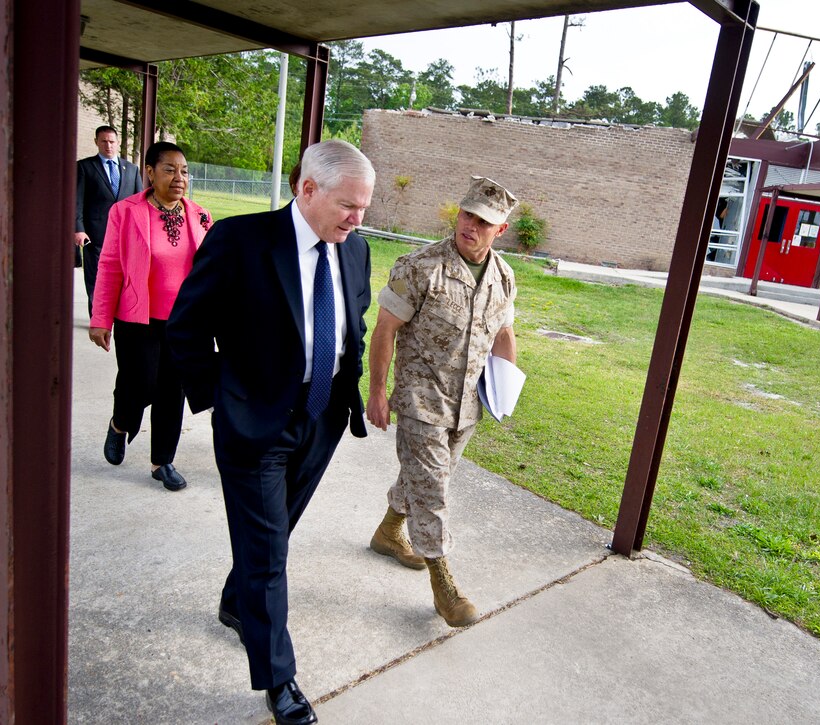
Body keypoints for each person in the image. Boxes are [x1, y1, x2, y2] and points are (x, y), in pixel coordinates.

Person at [166, 139, 374, 725]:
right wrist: (222, 399)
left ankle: (238, 604)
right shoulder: (241, 240)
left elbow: (352, 324)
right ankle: (278, 678)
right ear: (307, 189)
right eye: (348, 206)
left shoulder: (355, 249)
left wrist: (348, 390)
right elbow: (186, 327)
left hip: (322, 418)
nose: (357, 219)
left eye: (364, 207)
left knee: (273, 536)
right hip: (255, 426)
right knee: (267, 556)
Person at [366, 175, 518, 628]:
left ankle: (388, 531)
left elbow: (504, 334)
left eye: (484, 221)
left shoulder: (503, 277)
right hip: (421, 401)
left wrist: (506, 391)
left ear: (500, 229)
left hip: (467, 406)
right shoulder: (419, 267)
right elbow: (385, 330)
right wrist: (377, 392)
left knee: (426, 476)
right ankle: (444, 585)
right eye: (467, 214)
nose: (471, 225)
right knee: (433, 491)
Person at [89, 141, 212, 492]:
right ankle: (120, 423)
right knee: (139, 383)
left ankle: (162, 461)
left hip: (183, 322)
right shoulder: (125, 212)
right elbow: (109, 266)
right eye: (169, 170)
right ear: (150, 172)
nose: (179, 177)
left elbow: (210, 271)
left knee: (172, 392)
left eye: (184, 171)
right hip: (137, 318)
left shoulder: (200, 215)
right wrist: (101, 318)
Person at [76, 125, 144, 315]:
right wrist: (79, 229)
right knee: (96, 278)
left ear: (118, 142)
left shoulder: (131, 169)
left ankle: (118, 314)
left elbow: (139, 203)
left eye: (112, 141)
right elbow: (77, 200)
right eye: (104, 141)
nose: (108, 145)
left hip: (125, 235)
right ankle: (98, 316)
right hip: (95, 234)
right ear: (96, 142)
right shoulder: (84, 167)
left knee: (122, 277)